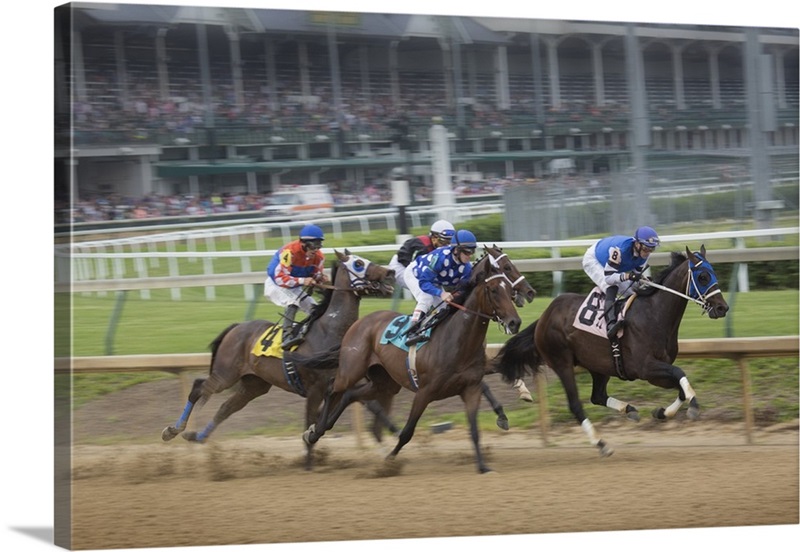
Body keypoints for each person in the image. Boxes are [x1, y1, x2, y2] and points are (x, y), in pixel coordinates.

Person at [582, 225, 661, 338]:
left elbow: (636, 276)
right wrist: (629, 276)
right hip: (594, 260)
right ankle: (611, 324)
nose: (648, 252)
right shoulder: (619, 251)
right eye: (646, 248)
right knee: (611, 287)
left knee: (633, 292)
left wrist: (641, 280)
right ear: (637, 244)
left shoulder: (644, 253)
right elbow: (609, 278)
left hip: (613, 265)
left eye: (651, 249)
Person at [403, 228, 478, 345]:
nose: (470, 256)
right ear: (457, 250)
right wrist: (441, 293)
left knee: (443, 308)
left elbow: (463, 287)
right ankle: (411, 332)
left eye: (472, 251)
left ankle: (433, 331)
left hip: (435, 279)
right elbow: (424, 283)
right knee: (426, 298)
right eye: (467, 252)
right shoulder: (440, 259)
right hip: (415, 274)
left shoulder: (466, 267)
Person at [264, 224, 330, 349]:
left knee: (314, 308)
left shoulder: (319, 257)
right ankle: (286, 336)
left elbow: (315, 275)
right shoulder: (288, 253)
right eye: (313, 245)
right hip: (276, 284)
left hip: (294, 287)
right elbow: (280, 278)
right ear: (303, 243)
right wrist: (303, 280)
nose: (316, 249)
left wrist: (320, 278)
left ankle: (311, 333)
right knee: (293, 301)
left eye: (319, 245)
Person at [388, 219, 455, 289]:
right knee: (422, 287)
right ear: (434, 237)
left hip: (410, 265)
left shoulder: (438, 248)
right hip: (400, 266)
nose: (447, 246)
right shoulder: (423, 247)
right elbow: (407, 262)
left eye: (450, 242)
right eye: (443, 241)